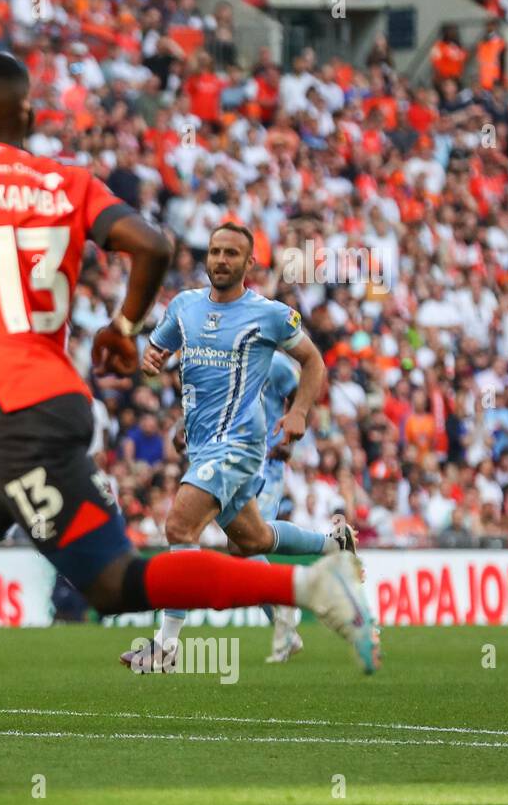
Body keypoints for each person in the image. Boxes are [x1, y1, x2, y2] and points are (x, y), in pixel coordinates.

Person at [0, 52, 378, 805]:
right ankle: (310, 581)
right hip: (35, 409)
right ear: (26, 117)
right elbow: (151, 245)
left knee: (29, 575)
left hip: (18, 416)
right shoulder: (65, 181)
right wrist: (121, 325)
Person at [120, 224, 358, 671]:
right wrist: (151, 360)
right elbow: (157, 353)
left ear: (250, 264)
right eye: (214, 251)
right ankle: (332, 545)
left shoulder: (269, 314)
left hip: (240, 446)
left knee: (179, 528)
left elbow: (313, 361)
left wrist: (300, 413)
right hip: (203, 446)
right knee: (251, 540)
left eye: (232, 253)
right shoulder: (185, 307)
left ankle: (165, 649)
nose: (221, 260)